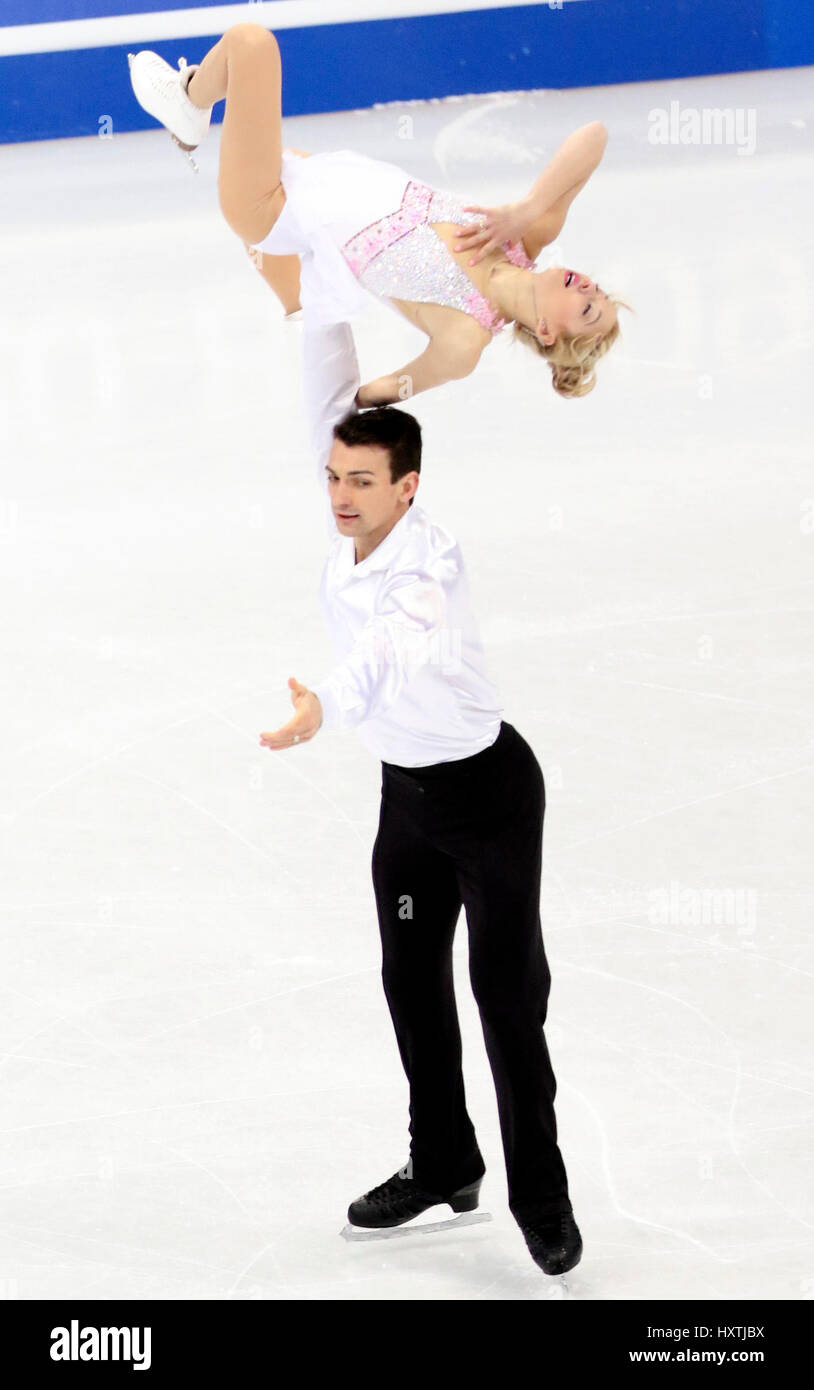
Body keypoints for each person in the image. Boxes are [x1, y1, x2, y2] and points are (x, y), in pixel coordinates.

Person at [256, 392, 582, 1276]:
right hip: (408, 800)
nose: (340, 495)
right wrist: (305, 299)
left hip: (489, 799)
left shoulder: (425, 570)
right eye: (332, 476)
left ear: (409, 487)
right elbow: (322, 383)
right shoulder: (353, 544)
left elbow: (389, 652)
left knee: (507, 1001)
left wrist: (327, 706)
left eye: (361, 480)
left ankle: (543, 1200)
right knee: (411, 982)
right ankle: (444, 1159)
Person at [128, 22, 625, 401]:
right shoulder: (524, 237)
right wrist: (527, 207)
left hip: (269, 208)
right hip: (311, 178)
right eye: (599, 291)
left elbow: (379, 394)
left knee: (251, 44)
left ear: (545, 331)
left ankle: (187, 101)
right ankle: (295, 303)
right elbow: (596, 136)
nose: (588, 287)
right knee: (302, 233)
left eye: (587, 310)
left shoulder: (465, 339)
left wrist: (344, 436)